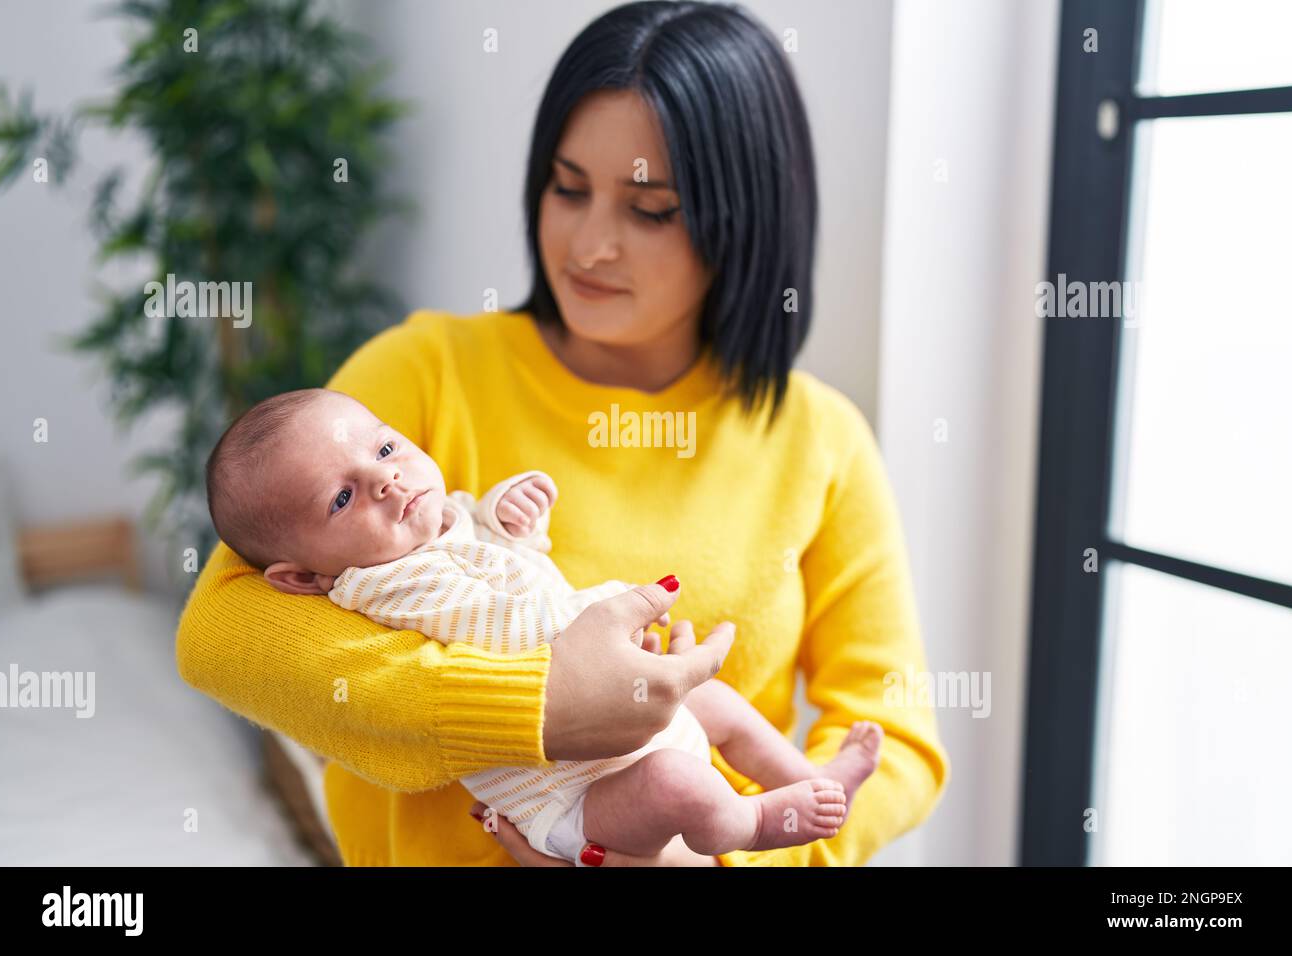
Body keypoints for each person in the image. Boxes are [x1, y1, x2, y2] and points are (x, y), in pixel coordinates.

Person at [176, 0, 950, 866]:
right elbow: (220, 635)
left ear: (746, 217)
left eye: (649, 207)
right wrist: (536, 707)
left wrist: (723, 858)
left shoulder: (820, 438)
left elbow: (899, 738)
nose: (588, 244)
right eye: (567, 187)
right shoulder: (421, 374)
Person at [201, 387, 886, 865]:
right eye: (342, 497)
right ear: (301, 577)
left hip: (630, 730)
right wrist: (608, 613)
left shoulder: (437, 523)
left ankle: (809, 781)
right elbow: (505, 623)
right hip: (569, 797)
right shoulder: (379, 585)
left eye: (385, 449)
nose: (385, 482)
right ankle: (754, 821)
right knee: (677, 784)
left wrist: (508, 517)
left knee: (719, 706)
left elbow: (499, 552)